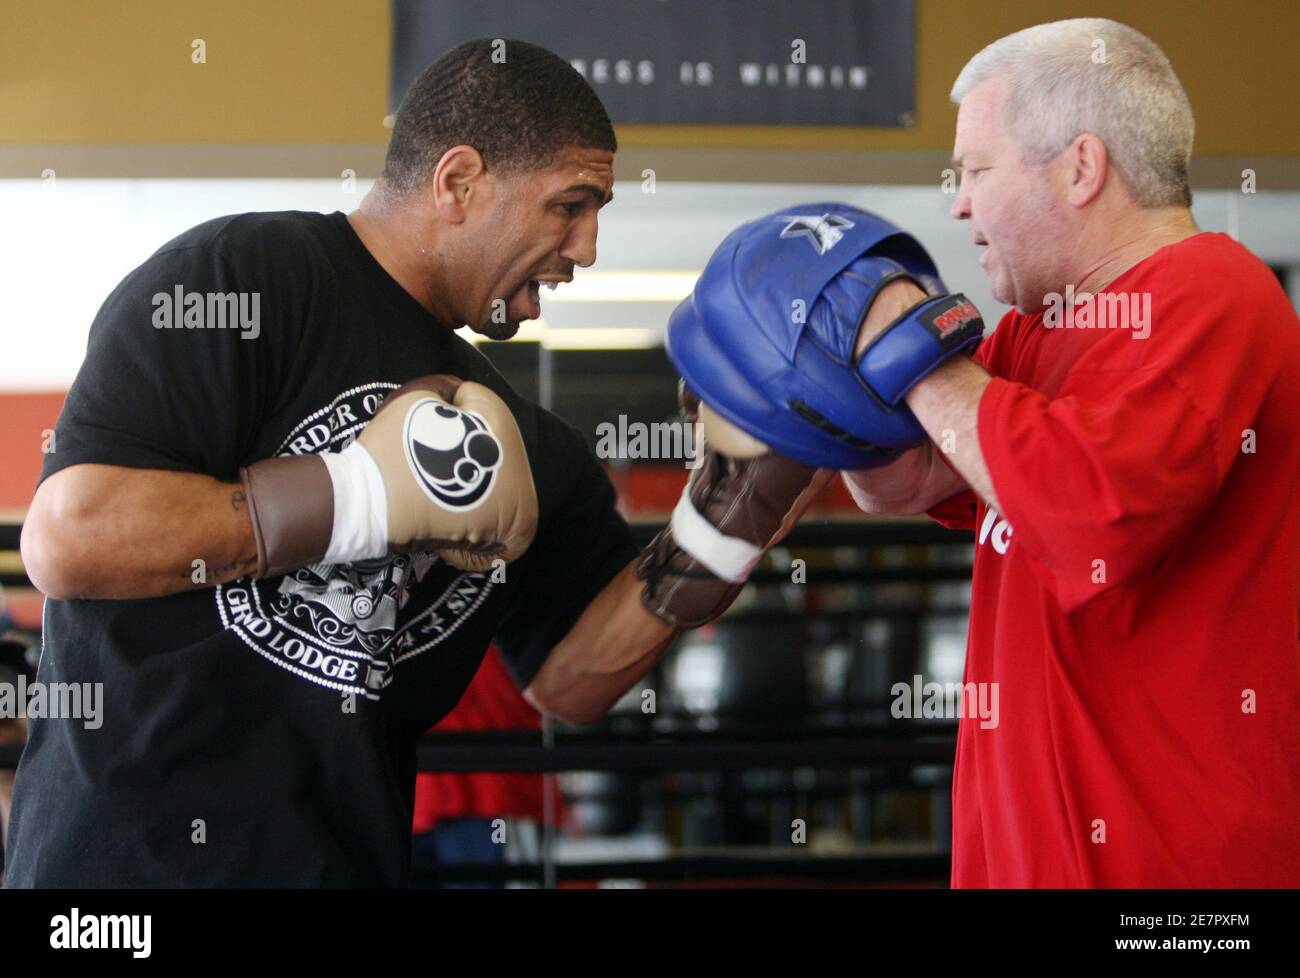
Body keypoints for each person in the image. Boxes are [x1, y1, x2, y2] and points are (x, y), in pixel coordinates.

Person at [8, 39, 835, 887]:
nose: (586, 248)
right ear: (459, 181)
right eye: (571, 205)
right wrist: (361, 495)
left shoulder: (521, 441)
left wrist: (733, 513)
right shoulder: (243, 280)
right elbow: (70, 540)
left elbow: (570, 680)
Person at [838, 19, 1300, 886]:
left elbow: (1093, 515)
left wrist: (909, 356)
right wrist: (831, 385)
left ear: (1081, 168)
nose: (958, 202)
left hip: (1173, 884)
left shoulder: (1213, 291)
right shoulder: (1034, 329)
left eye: (976, 171)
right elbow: (907, 480)